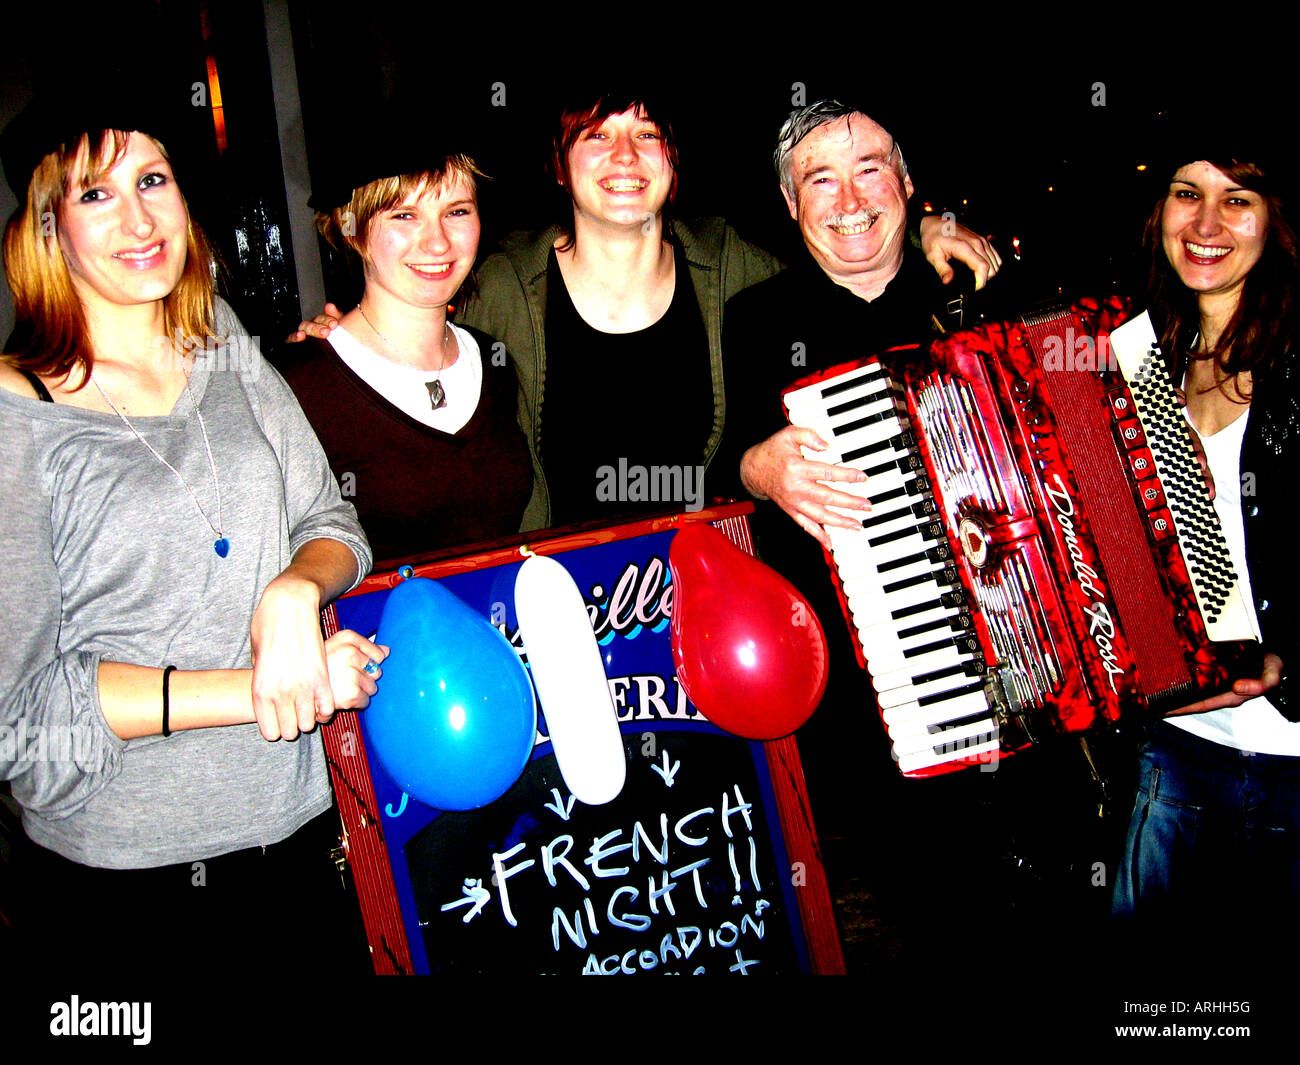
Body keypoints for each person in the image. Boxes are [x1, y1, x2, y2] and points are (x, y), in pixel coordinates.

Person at [719, 100, 1115, 974]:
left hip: (1040, 670)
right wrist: (755, 467)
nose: (849, 196)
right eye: (819, 178)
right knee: (942, 927)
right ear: (792, 208)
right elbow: (722, 476)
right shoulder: (756, 320)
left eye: (869, 168)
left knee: (1065, 918)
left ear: (907, 185)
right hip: (884, 704)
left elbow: (1080, 413)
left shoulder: (981, 289)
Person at [0, 92, 384, 973]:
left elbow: (332, 522)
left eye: (154, 179)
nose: (137, 218)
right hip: (126, 890)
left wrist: (299, 588)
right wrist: (265, 688)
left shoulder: (225, 344)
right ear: (49, 228)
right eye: (96, 194)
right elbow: (22, 718)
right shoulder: (19, 409)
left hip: (301, 836)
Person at [293, 89, 998, 531]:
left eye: (647, 131)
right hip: (563, 611)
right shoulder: (505, 281)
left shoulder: (731, 265)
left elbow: (844, 269)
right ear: (560, 163)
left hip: (714, 598)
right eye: (597, 134)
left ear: (673, 158)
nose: (624, 155)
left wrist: (923, 229)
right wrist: (339, 349)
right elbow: (411, 309)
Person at [1110, 125, 1299, 952]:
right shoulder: (1140, 355)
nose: (1208, 223)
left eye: (1238, 199)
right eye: (1188, 194)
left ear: (1276, 220)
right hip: (1178, 743)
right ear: (1159, 213)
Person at [275, 131, 531, 568]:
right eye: (404, 216)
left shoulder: (494, 359)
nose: (437, 242)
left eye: (456, 211)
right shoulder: (296, 386)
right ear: (351, 230)